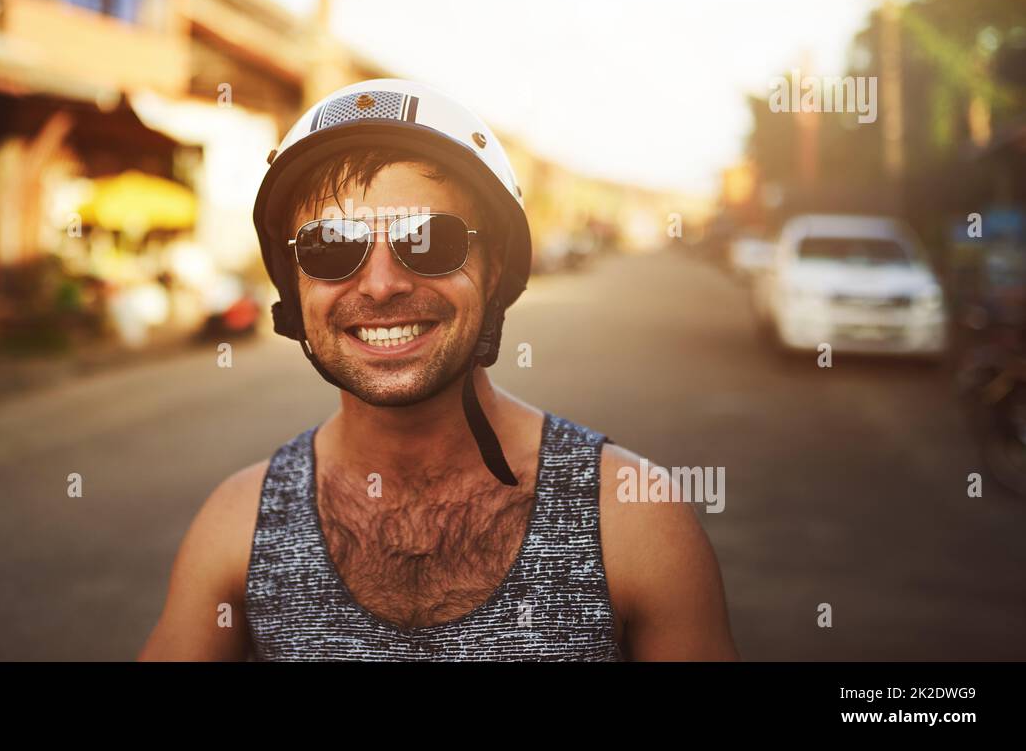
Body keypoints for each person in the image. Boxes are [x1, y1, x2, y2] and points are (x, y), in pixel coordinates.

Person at [139, 79, 738, 661]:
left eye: (426, 239)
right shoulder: (238, 526)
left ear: (494, 266)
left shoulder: (632, 517)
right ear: (293, 287)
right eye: (330, 245)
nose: (380, 285)